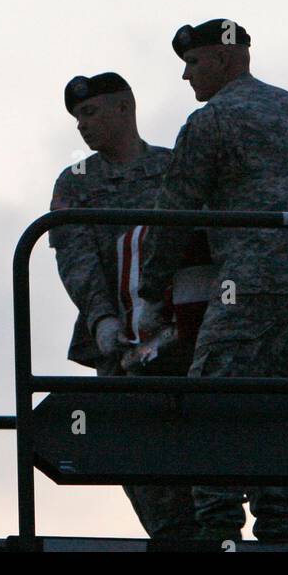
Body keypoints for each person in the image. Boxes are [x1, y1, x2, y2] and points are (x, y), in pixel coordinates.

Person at [137, 19, 288, 542]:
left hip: (249, 285)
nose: (186, 76)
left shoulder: (212, 121)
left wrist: (149, 292)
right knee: (271, 402)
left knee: (211, 397)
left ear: (225, 59)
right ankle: (281, 526)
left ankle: (218, 526)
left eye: (193, 62)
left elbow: (176, 211)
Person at [48, 72, 197, 540]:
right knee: (141, 460)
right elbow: (75, 258)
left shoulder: (177, 169)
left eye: (90, 112)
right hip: (121, 343)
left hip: (187, 335)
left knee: (204, 448)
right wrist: (102, 318)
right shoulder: (77, 183)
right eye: (77, 117)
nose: (81, 126)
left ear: (124, 107)